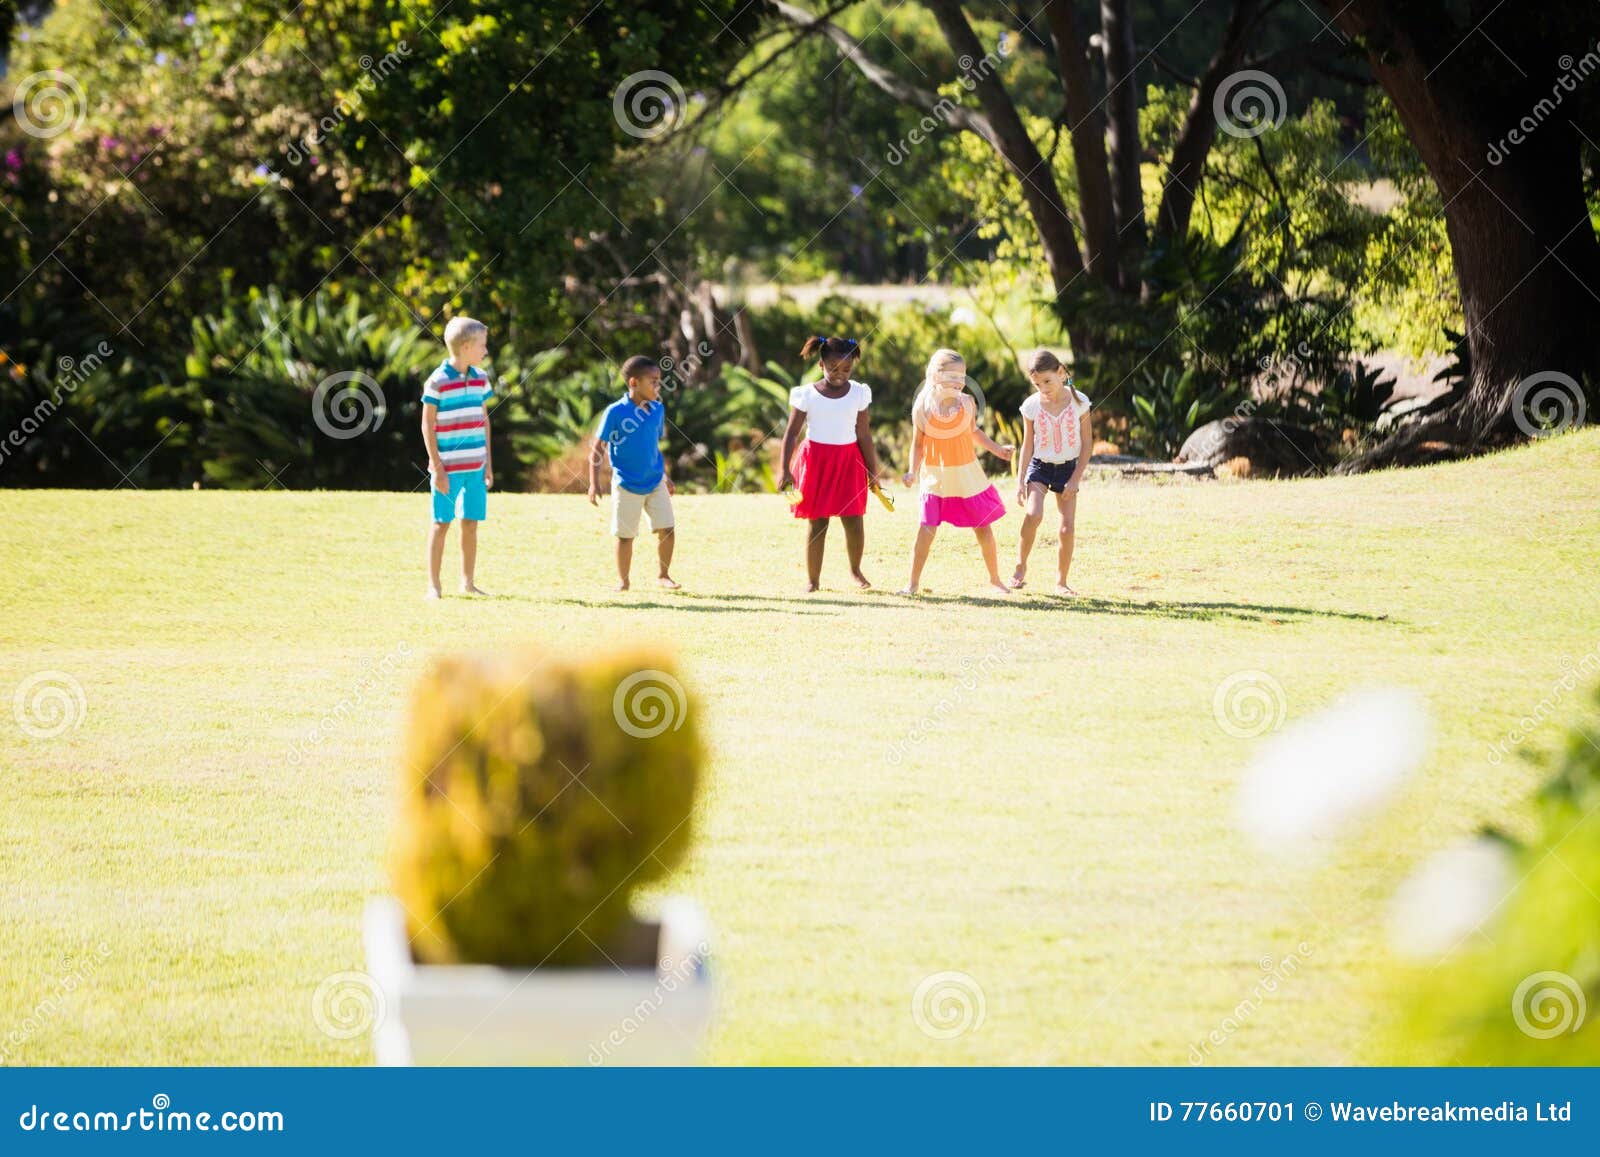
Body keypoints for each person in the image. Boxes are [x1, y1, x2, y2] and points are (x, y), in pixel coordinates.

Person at [899, 348, 1014, 595]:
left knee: (983, 527)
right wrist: (911, 471)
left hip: (966, 475)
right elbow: (917, 444)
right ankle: (912, 584)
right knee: (926, 528)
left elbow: (974, 432)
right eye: (952, 377)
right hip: (936, 476)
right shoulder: (923, 406)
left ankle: (995, 580)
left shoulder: (967, 403)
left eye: (962, 376)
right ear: (935, 376)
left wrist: (997, 449)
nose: (959, 382)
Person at [777, 335, 881, 591]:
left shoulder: (858, 393)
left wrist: (873, 470)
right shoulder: (807, 395)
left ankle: (856, 571)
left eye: (846, 369)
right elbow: (791, 434)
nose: (840, 374)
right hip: (816, 462)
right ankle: (813, 580)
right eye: (833, 368)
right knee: (818, 522)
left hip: (848, 462)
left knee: (854, 520)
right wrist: (784, 469)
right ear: (821, 364)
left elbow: (864, 434)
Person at [588, 355, 680, 591]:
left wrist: (665, 476)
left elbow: (652, 447)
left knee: (668, 529)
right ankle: (624, 581)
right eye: (653, 381)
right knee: (625, 536)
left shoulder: (657, 409)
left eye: (659, 381)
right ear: (633, 383)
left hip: (655, 481)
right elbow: (598, 448)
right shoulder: (615, 412)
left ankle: (663, 575)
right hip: (626, 483)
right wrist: (593, 483)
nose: (658, 386)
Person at [422, 315, 494, 600]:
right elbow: (427, 424)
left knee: (471, 522)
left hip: (476, 466)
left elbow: (484, 420)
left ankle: (468, 583)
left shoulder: (481, 379)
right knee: (441, 523)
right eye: (482, 345)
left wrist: (488, 463)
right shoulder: (437, 381)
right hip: (447, 470)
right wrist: (437, 466)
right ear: (466, 347)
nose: (485, 351)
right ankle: (434, 586)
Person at [1011, 349, 1093, 595]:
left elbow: (1087, 444)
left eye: (1047, 381)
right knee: (1033, 514)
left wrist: (1075, 479)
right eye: (1037, 384)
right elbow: (1027, 445)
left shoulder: (1079, 402)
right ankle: (1020, 565)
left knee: (1067, 527)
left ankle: (1061, 582)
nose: (1043, 388)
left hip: (1068, 469)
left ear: (1060, 373)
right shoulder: (1032, 406)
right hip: (1040, 466)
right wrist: (1019, 482)